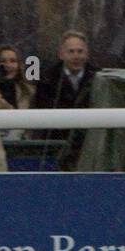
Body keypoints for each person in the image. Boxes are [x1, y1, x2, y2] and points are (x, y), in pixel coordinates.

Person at [34, 31, 99, 168]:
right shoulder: (47, 79)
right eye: (71, 51)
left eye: (80, 51)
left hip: (89, 147)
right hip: (54, 148)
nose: (76, 56)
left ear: (87, 53)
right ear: (61, 54)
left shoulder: (99, 78)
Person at [0, 44, 35, 109]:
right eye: (3, 61)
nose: (8, 65)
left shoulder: (29, 91)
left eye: (13, 61)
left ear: (19, 65)